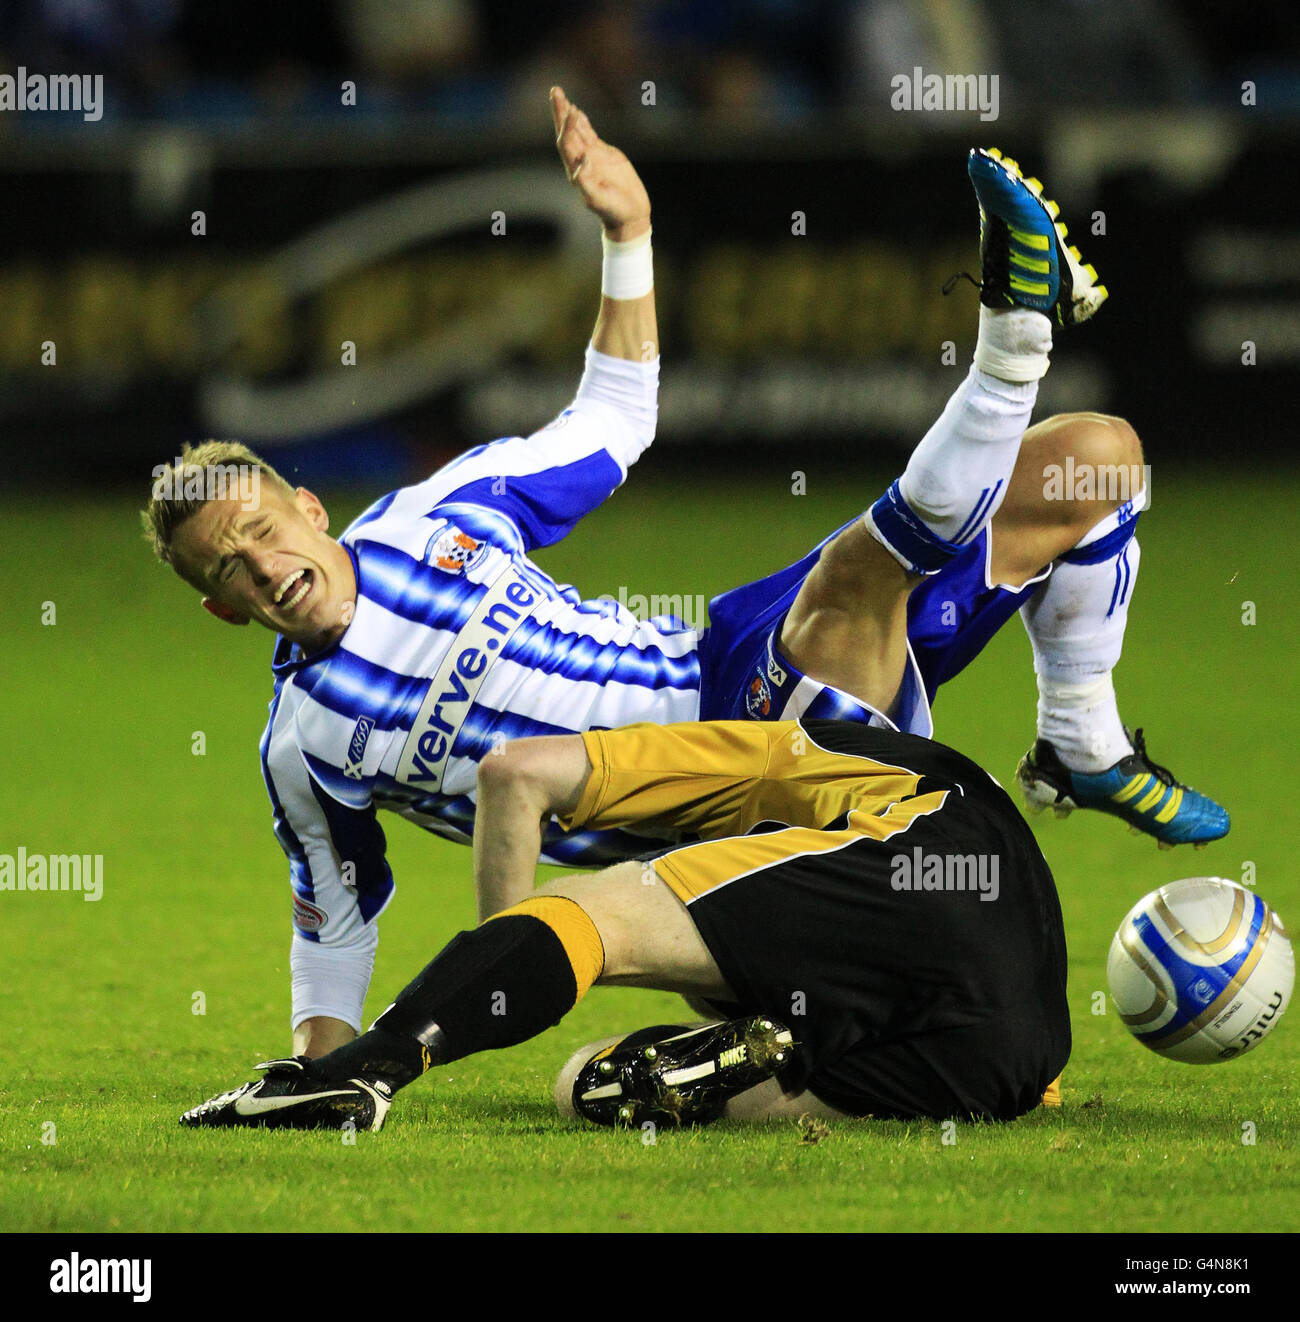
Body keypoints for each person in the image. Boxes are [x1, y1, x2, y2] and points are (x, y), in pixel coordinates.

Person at [143, 87, 1226, 1062]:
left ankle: (1080, 738)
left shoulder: (436, 513)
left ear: (309, 507)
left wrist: (629, 232)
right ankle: (1011, 341)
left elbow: (612, 423)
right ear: (222, 609)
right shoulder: (305, 743)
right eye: (229, 568)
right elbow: (334, 921)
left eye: (261, 528)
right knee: (860, 572)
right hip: (718, 813)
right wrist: (321, 1065)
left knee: (1096, 460)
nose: (262, 564)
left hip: (733, 661)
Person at [180, 716, 1069, 1131]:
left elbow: (515, 772)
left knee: (596, 913)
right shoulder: (955, 782)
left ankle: (362, 1070)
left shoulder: (794, 747)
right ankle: (653, 1075)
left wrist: (504, 971)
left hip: (916, 868)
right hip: (1018, 1049)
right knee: (591, 1082)